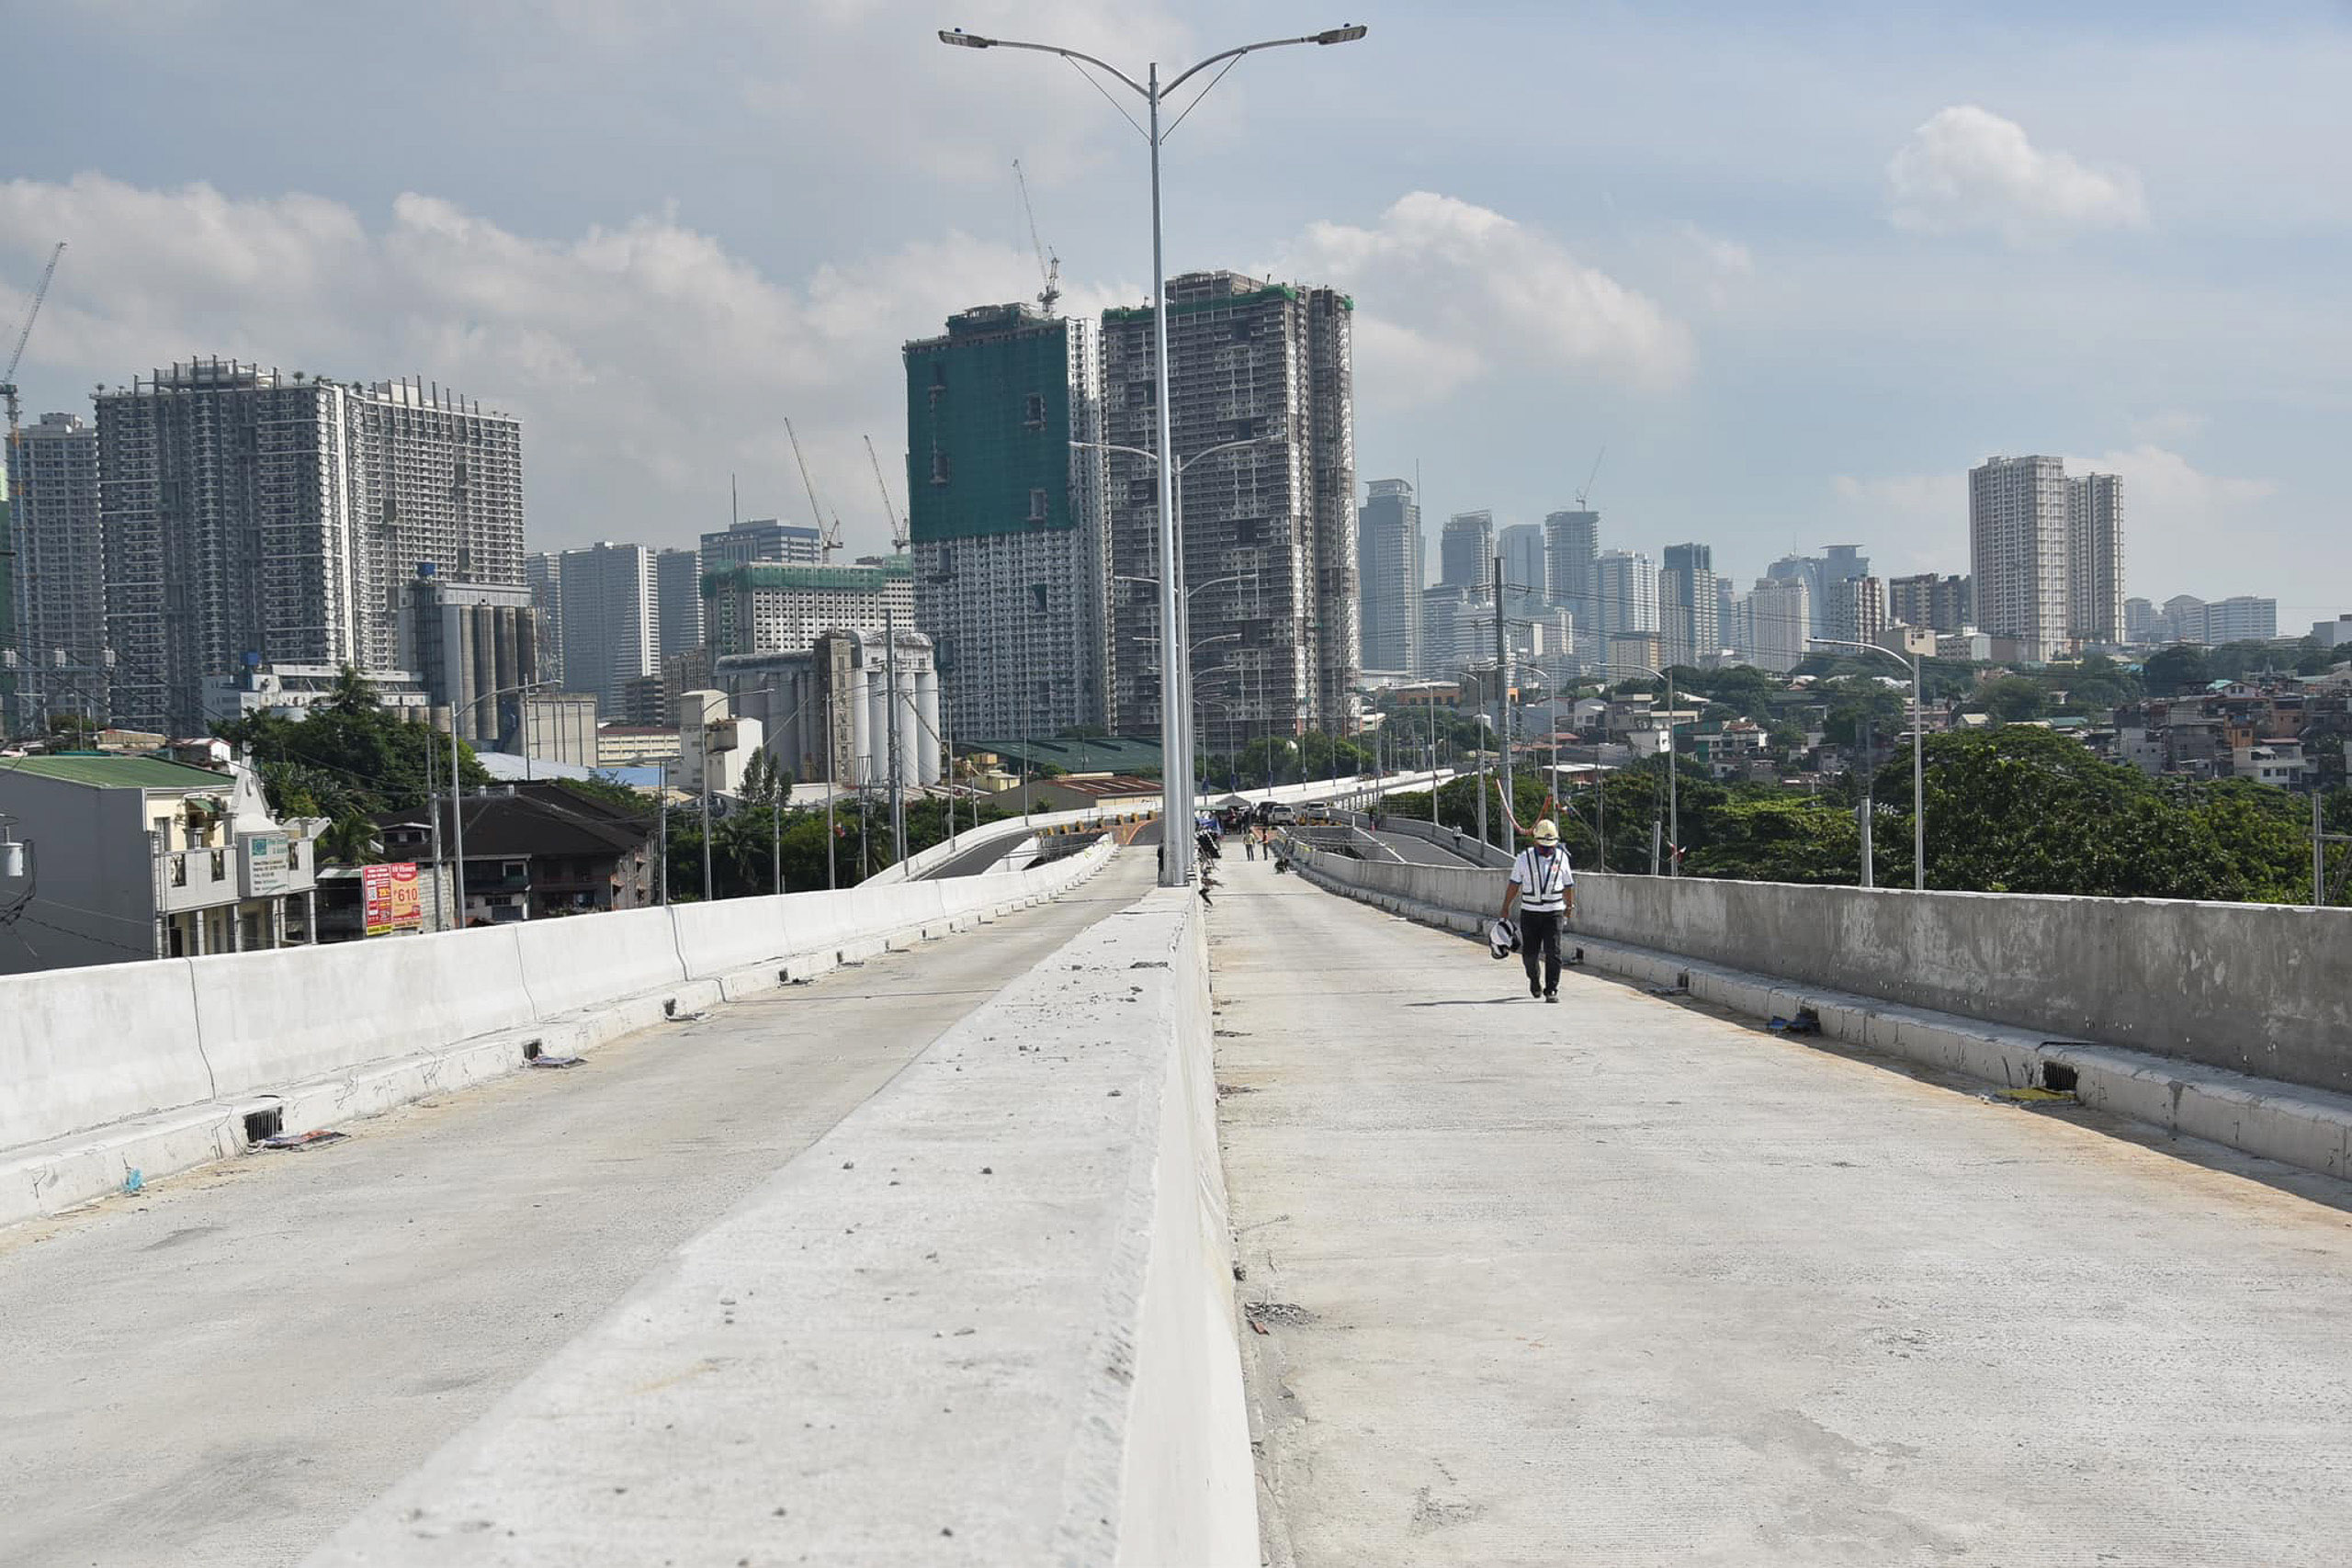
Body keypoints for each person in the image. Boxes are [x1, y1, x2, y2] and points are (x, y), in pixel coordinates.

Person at [1498, 818, 1576, 1002]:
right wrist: (1505, 907)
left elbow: (1568, 884)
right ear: (1535, 842)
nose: (1547, 851)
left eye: (1551, 847)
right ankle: (1534, 979)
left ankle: (1552, 989)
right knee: (1530, 955)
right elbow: (1513, 885)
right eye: (1543, 847)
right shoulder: (1523, 859)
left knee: (1554, 951)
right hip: (1530, 913)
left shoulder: (1562, 858)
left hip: (1554, 912)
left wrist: (1569, 905)